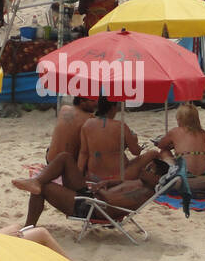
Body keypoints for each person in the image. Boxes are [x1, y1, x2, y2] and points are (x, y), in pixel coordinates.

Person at [14, 153, 169, 228]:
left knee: (45, 188)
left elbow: (112, 201)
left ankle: (28, 226)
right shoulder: (140, 182)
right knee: (65, 158)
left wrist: (98, 190)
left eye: (148, 169)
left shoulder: (143, 193)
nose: (144, 169)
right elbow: (119, 184)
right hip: (92, 197)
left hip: (91, 207)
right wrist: (105, 183)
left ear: (157, 178)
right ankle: (35, 181)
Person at [78, 96, 150, 182]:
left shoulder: (87, 124)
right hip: (118, 177)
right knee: (153, 153)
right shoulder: (120, 126)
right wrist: (134, 140)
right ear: (113, 107)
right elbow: (136, 152)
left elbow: (83, 153)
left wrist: (79, 175)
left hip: (94, 176)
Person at [154, 103, 205, 192]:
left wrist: (171, 144)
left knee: (164, 152)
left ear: (179, 119)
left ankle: (170, 176)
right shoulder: (202, 132)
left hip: (184, 180)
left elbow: (161, 145)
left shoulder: (175, 131)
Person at [45, 96, 97, 165]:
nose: (96, 103)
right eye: (93, 100)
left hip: (50, 161)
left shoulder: (64, 109)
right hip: (67, 166)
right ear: (82, 102)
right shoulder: (90, 119)